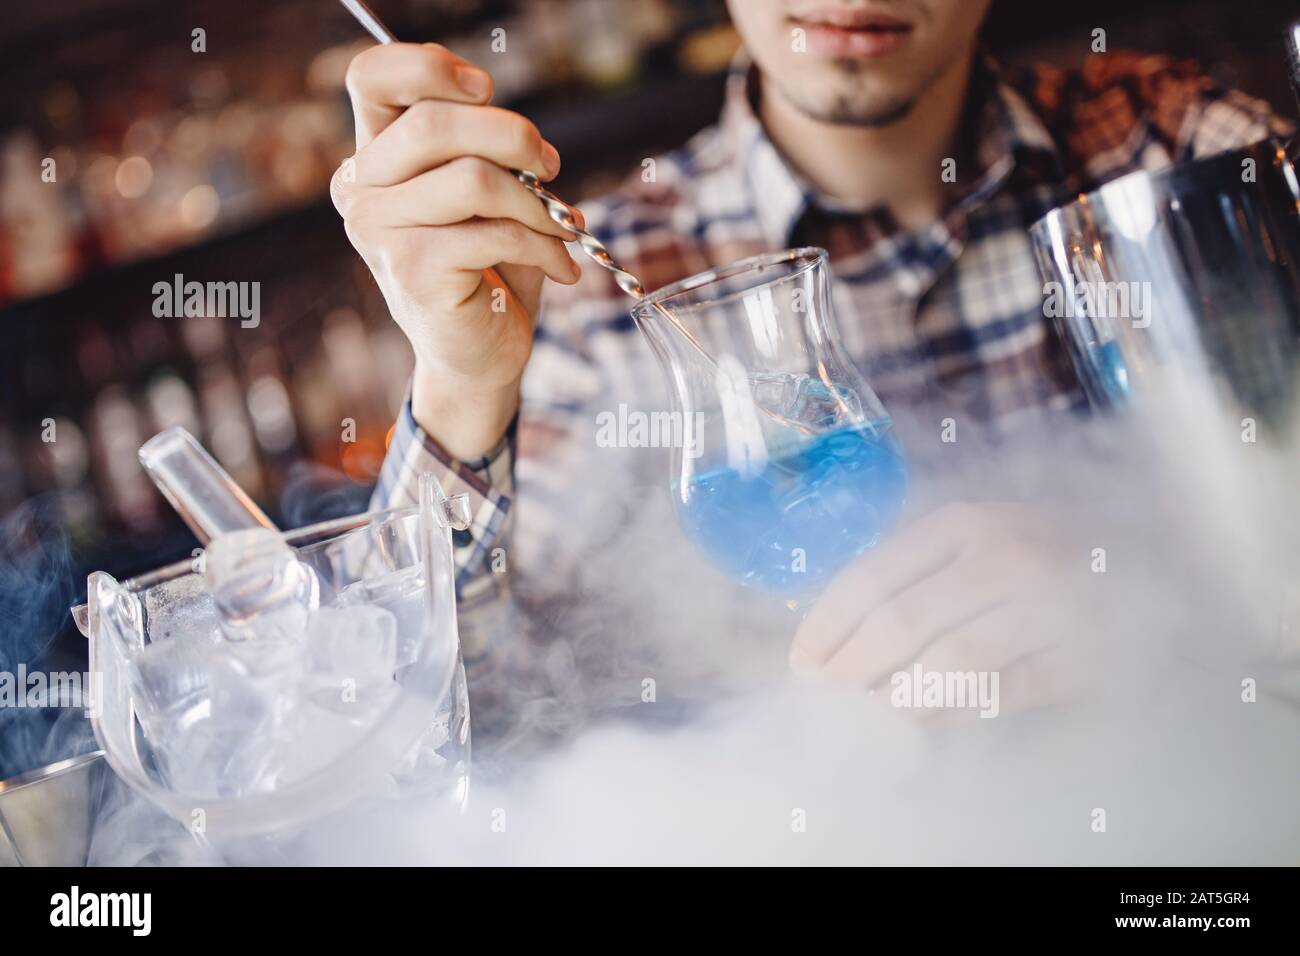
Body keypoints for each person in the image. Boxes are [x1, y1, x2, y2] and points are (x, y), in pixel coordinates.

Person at [330, 1, 1287, 713]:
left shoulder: (1180, 149)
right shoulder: (579, 300)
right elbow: (439, 724)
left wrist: (1145, 585)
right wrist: (462, 387)